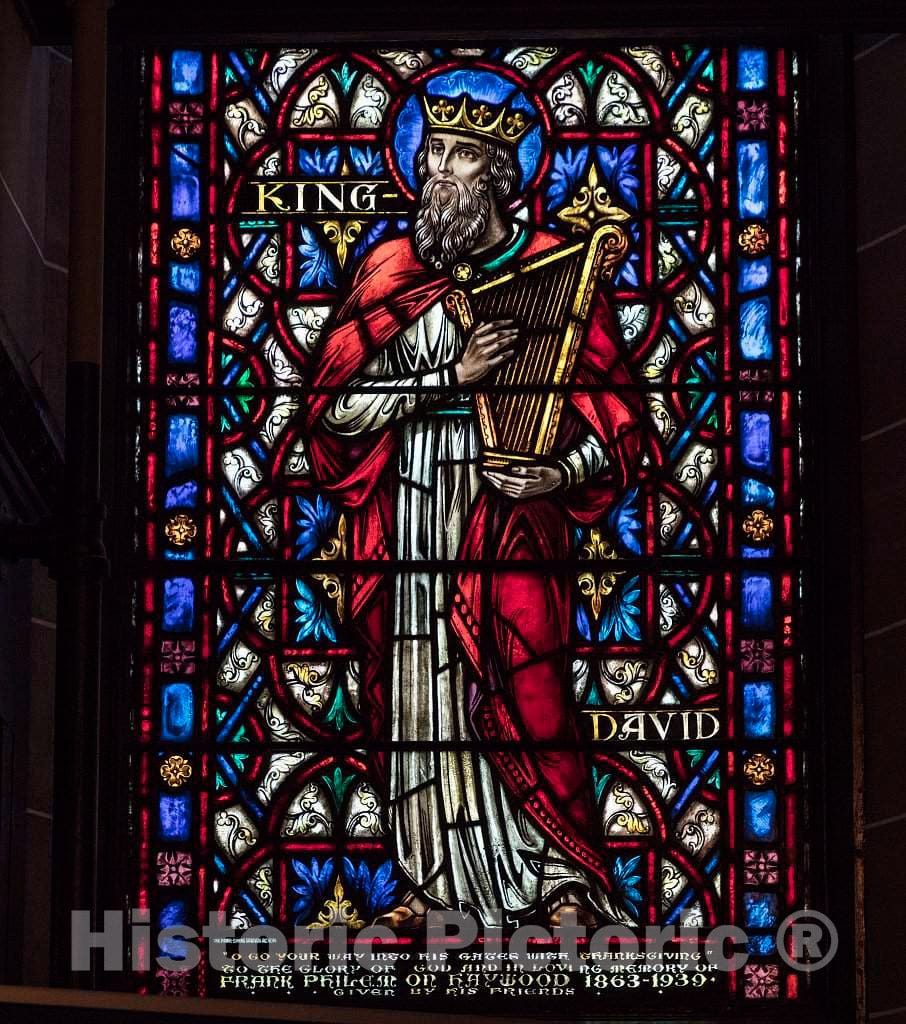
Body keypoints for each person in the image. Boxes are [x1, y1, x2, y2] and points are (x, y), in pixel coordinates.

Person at [306, 83, 644, 929]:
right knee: (420, 686)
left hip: (512, 510)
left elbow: (621, 419)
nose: (436, 173)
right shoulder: (391, 273)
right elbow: (335, 412)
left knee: (523, 675)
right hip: (411, 501)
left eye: (457, 157)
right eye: (429, 156)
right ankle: (430, 886)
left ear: (497, 173)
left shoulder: (559, 273)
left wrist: (558, 475)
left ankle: (562, 878)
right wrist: (445, 380)